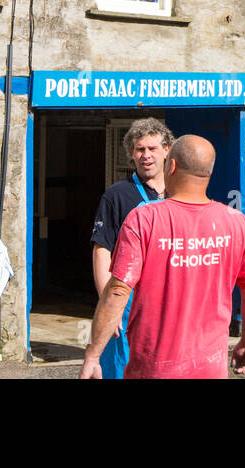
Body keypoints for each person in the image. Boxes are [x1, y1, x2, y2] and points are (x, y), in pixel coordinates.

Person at [80, 134, 245, 379]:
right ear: (208, 172)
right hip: (210, 368)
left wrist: (93, 356)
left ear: (171, 166)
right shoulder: (236, 223)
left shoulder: (144, 219)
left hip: (153, 368)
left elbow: (117, 291)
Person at [88, 117, 171, 379]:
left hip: (169, 300)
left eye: (152, 149)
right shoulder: (116, 195)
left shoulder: (179, 193)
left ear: (167, 150)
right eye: (140, 150)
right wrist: (108, 307)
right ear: (131, 154)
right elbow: (102, 250)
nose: (146, 156)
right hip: (127, 303)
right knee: (124, 368)